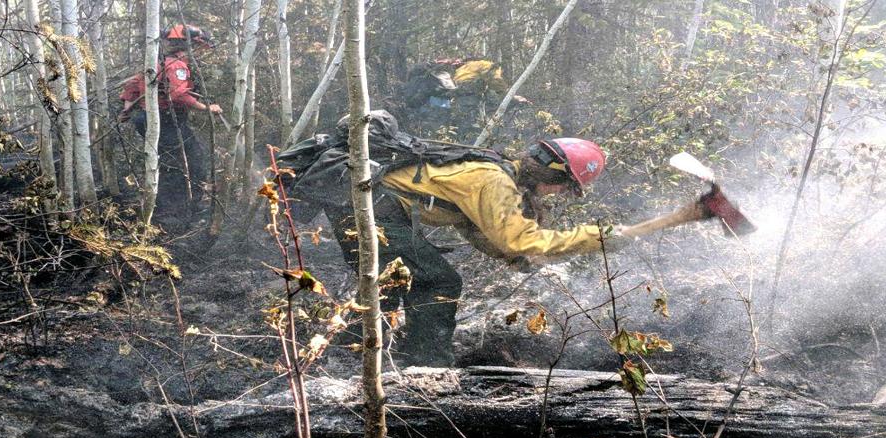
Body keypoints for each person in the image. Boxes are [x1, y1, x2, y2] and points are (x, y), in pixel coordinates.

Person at [322, 131, 720, 368]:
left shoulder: (497, 176)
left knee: (394, 283)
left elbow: (478, 229)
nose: (561, 195)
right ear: (552, 174)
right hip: (365, 206)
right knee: (437, 281)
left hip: (359, 203)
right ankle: (426, 366)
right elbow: (518, 237)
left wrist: (513, 258)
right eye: (564, 187)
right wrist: (600, 236)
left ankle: (347, 354)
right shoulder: (494, 180)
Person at [119, 24, 223, 219]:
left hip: (149, 119)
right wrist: (207, 108)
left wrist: (127, 109)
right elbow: (178, 95)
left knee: (169, 160)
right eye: (200, 49)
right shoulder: (176, 65)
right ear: (189, 46)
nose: (201, 54)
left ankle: (167, 207)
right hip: (163, 120)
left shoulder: (156, 62)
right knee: (186, 161)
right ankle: (174, 211)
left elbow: (132, 85)